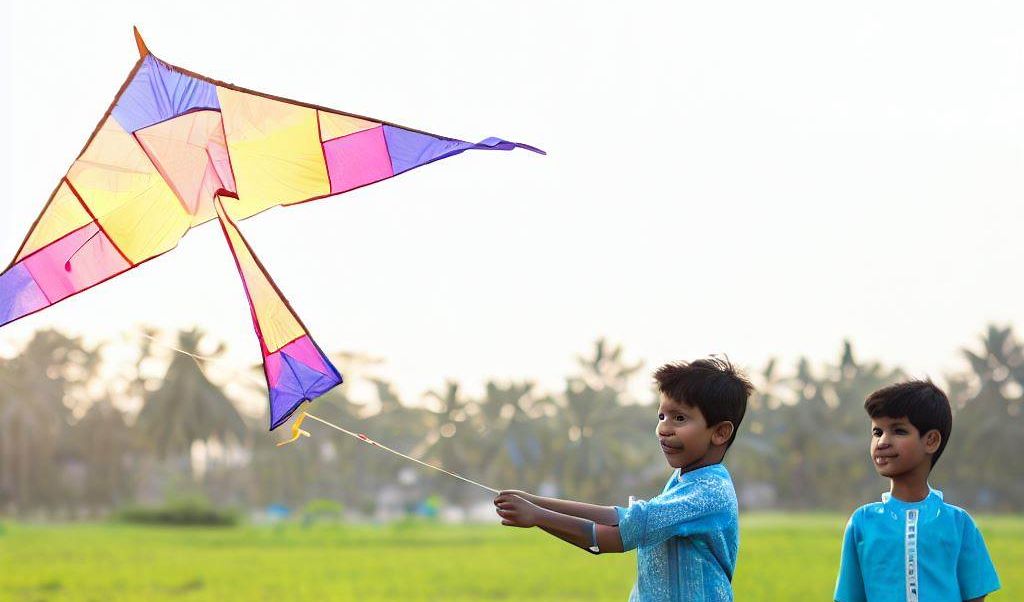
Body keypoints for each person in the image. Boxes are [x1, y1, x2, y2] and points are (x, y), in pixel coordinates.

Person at [494, 357, 752, 601]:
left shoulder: (709, 493)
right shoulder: (684, 480)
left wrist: (538, 516)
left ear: (720, 432)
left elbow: (610, 538)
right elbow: (621, 517)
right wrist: (535, 502)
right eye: (661, 416)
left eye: (679, 418)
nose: (663, 428)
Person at [834, 380, 1000, 602]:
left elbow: (975, 596)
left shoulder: (959, 524)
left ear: (931, 440)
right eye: (877, 431)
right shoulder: (862, 522)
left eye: (898, 431)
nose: (882, 442)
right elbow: (849, 597)